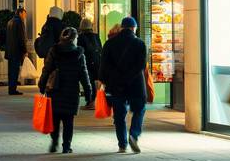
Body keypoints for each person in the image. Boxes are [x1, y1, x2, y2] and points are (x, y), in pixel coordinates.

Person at [98, 15, 150, 153]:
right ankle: (134, 134)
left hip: (116, 85)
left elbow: (103, 66)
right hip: (136, 85)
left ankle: (122, 144)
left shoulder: (109, 44)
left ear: (122, 28)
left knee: (119, 115)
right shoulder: (140, 43)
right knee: (139, 109)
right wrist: (130, 77)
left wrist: (104, 81)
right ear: (134, 28)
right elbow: (141, 65)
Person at [39, 27, 94, 153]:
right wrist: (88, 92)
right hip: (71, 91)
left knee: (55, 118)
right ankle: (66, 146)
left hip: (55, 90)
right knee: (69, 121)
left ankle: (54, 142)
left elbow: (46, 70)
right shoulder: (79, 53)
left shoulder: (54, 51)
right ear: (74, 39)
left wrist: (42, 85)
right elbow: (84, 75)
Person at [77, 18, 103, 108]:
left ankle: (90, 102)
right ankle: (93, 101)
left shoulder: (81, 37)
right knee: (93, 82)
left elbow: (79, 51)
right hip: (97, 62)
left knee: (88, 82)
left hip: (86, 62)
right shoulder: (96, 36)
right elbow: (100, 48)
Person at [5, 7, 28, 95]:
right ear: (20, 13)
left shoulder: (10, 22)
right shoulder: (19, 22)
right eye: (24, 14)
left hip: (10, 51)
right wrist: (25, 50)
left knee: (11, 72)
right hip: (16, 51)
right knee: (15, 71)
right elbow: (21, 38)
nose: (25, 16)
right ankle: (13, 90)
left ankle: (11, 89)